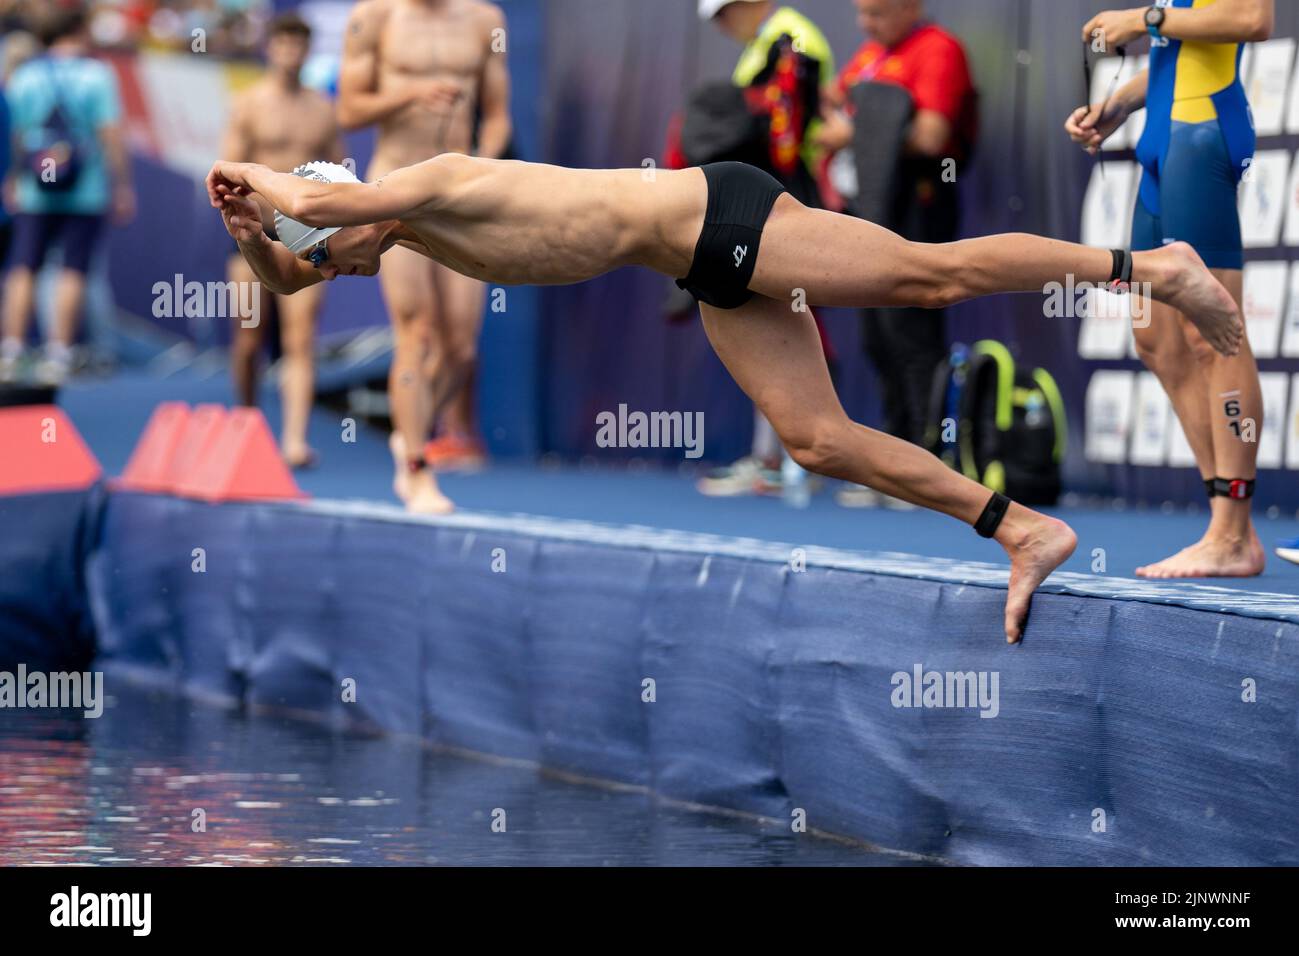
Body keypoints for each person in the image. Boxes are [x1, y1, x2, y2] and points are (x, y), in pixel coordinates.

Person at [206, 153, 1243, 642]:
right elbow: (295, 268)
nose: (328, 266)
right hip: (706, 267)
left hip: (720, 213)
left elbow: (325, 204)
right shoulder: (386, 238)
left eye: (322, 246)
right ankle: (1019, 528)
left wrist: (249, 173)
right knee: (817, 439)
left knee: (931, 274)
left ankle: (1153, 266)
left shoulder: (418, 184)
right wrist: (255, 235)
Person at [1065, 0, 1272, 578]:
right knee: (1156, 337)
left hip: (1202, 135)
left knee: (1214, 334)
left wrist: (1143, 19)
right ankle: (1227, 524)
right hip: (1164, 131)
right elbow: (1180, 52)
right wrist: (1119, 105)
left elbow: (1253, 19)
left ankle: (1232, 530)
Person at [336, 0, 510, 512]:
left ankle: (408, 429)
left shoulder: (485, 21)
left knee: (460, 347)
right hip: (395, 187)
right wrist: (410, 92)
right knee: (417, 331)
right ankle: (415, 465)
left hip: (456, 194)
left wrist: (482, 165)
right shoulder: (376, 17)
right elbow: (348, 109)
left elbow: (497, 116)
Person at [815, 0, 976, 507]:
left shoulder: (938, 50)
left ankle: (927, 469)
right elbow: (829, 106)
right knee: (877, 336)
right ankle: (894, 468)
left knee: (910, 332)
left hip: (918, 207)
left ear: (911, 6)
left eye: (878, 12)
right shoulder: (867, 56)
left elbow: (931, 137)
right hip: (869, 211)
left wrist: (853, 132)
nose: (866, 23)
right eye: (861, 13)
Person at [690, 0, 837, 499]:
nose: (721, 25)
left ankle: (793, 459)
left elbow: (786, 133)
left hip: (789, 199)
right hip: (770, 200)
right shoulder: (762, 44)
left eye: (724, 13)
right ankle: (774, 457)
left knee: (796, 325)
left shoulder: (788, 36)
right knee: (767, 325)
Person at [220, 12, 345, 468]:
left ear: (307, 50)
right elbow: (229, 168)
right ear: (270, 49)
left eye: (299, 45)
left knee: (300, 339)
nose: (291, 53)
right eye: (284, 44)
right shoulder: (249, 104)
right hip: (254, 231)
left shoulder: (322, 108)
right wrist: (238, 225)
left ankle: (294, 440)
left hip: (305, 235)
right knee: (249, 338)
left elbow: (338, 177)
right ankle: (248, 422)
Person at [0, 7, 133, 385]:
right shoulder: (96, 75)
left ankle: (11, 349)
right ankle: (58, 352)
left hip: (33, 189)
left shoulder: (24, 75)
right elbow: (110, 132)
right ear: (79, 30)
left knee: (23, 266)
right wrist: (122, 184)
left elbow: (15, 135)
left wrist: (12, 177)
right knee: (73, 269)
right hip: (83, 190)